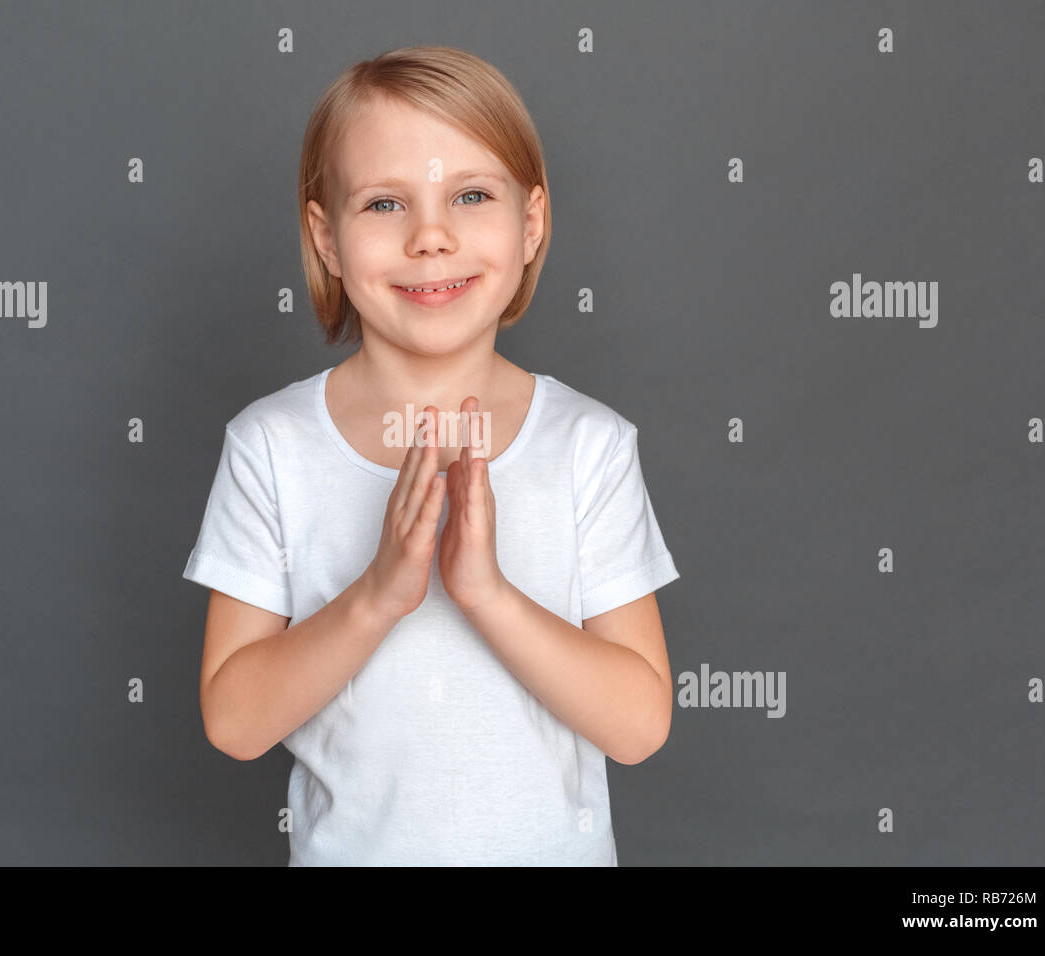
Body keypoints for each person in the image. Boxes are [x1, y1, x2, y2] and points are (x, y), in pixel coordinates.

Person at [184, 45, 680, 865]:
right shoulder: (270, 447)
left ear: (531, 224)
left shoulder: (591, 446)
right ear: (327, 238)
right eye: (385, 204)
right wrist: (379, 593)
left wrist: (486, 594)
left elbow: (639, 726)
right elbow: (234, 723)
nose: (431, 237)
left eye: (471, 195)